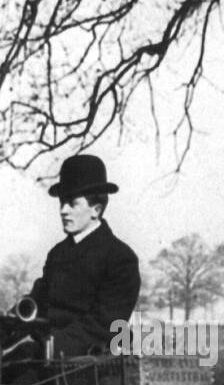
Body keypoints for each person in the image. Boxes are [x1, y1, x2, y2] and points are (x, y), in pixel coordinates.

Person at [24, 153, 140, 358]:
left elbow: (104, 326)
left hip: (89, 359)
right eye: (61, 203)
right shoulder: (57, 254)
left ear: (96, 209)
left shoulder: (120, 258)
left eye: (72, 203)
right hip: (49, 352)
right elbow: (38, 304)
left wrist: (51, 346)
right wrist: (12, 321)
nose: (63, 211)